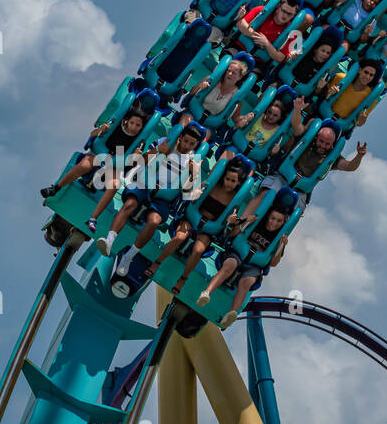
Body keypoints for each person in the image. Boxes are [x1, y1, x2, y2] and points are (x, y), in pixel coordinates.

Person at [98, 122, 207, 271]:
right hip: (145, 185)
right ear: (180, 137)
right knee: (130, 203)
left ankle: (129, 256)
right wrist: (157, 150)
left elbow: (186, 193)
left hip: (163, 198)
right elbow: (141, 160)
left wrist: (193, 173)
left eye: (192, 144)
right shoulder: (165, 141)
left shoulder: (193, 161)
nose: (187, 146)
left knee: (154, 221)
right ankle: (109, 240)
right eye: (186, 141)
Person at [40, 108, 150, 232]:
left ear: (141, 128)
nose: (134, 127)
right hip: (99, 154)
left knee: (115, 185)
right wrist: (100, 130)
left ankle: (93, 218)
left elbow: (130, 165)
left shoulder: (139, 142)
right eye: (132, 123)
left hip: (114, 163)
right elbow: (93, 136)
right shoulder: (116, 126)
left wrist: (135, 157)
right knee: (84, 165)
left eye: (138, 125)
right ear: (126, 122)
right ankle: (55, 188)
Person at [168, 157, 253, 295]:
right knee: (179, 237)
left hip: (208, 230)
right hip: (192, 219)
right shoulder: (211, 185)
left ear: (238, 182)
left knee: (198, 249)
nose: (229, 183)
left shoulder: (234, 199)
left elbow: (228, 229)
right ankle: (157, 263)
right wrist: (195, 190)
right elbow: (187, 196)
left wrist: (230, 221)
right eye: (228, 179)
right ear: (223, 177)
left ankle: (183, 279)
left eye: (233, 181)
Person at [197, 205, 292, 329]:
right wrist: (246, 221)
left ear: (283, 223)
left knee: (247, 281)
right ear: (268, 217)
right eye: (273, 218)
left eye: (279, 221)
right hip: (237, 254)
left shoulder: (278, 238)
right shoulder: (257, 223)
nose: (274, 223)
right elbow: (232, 234)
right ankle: (206, 293)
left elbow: (273, 263)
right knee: (229, 265)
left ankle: (232, 313)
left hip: (254, 265)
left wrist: (281, 246)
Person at [233, 0, 301, 72]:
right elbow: (240, 24)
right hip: (239, 48)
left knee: (251, 78)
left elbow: (280, 58)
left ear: (294, 15)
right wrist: (258, 38)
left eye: (289, 14)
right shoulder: (261, 11)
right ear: (278, 7)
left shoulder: (292, 34)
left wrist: (266, 43)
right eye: (283, 11)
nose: (285, 15)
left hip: (259, 62)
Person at [182, 54, 250, 127]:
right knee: (181, 126)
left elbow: (235, 118)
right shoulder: (212, 80)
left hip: (210, 124)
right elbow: (192, 92)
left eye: (234, 73)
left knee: (204, 136)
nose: (230, 74)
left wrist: (245, 118)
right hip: (193, 112)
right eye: (228, 71)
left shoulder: (237, 96)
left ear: (240, 77)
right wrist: (200, 86)